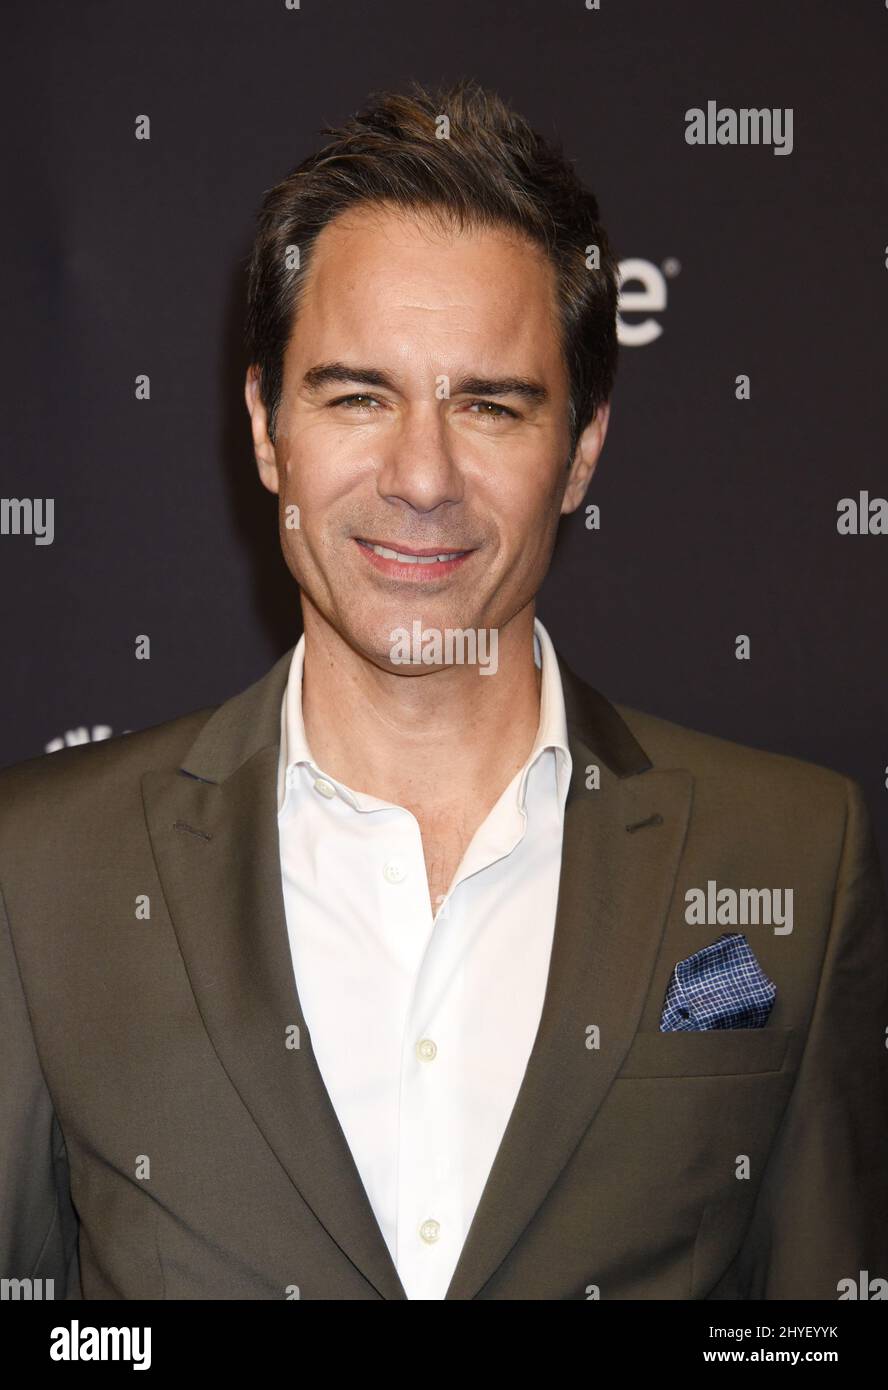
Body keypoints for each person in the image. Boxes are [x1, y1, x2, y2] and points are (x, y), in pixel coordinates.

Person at [1, 79, 886, 1302]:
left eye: (490, 405)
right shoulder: (42, 871)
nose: (422, 476)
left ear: (580, 451)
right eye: (358, 395)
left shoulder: (793, 855)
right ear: (267, 429)